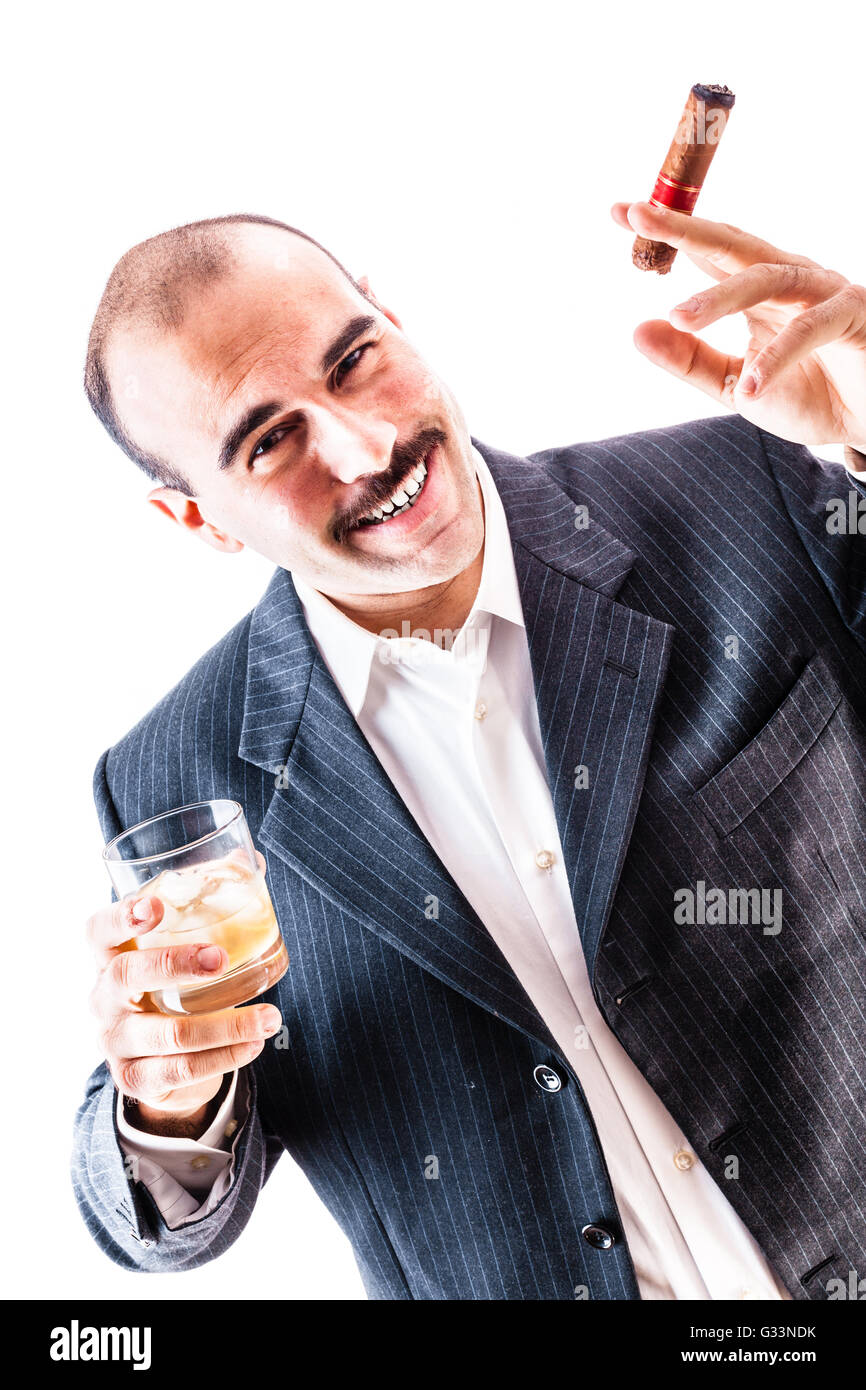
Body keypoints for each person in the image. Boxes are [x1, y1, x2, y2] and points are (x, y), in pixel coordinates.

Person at [73, 203, 866, 1300]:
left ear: (393, 321)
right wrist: (167, 1098)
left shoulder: (749, 489)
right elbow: (167, 1220)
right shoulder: (173, 776)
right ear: (197, 521)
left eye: (353, 361)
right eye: (270, 438)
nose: (363, 446)